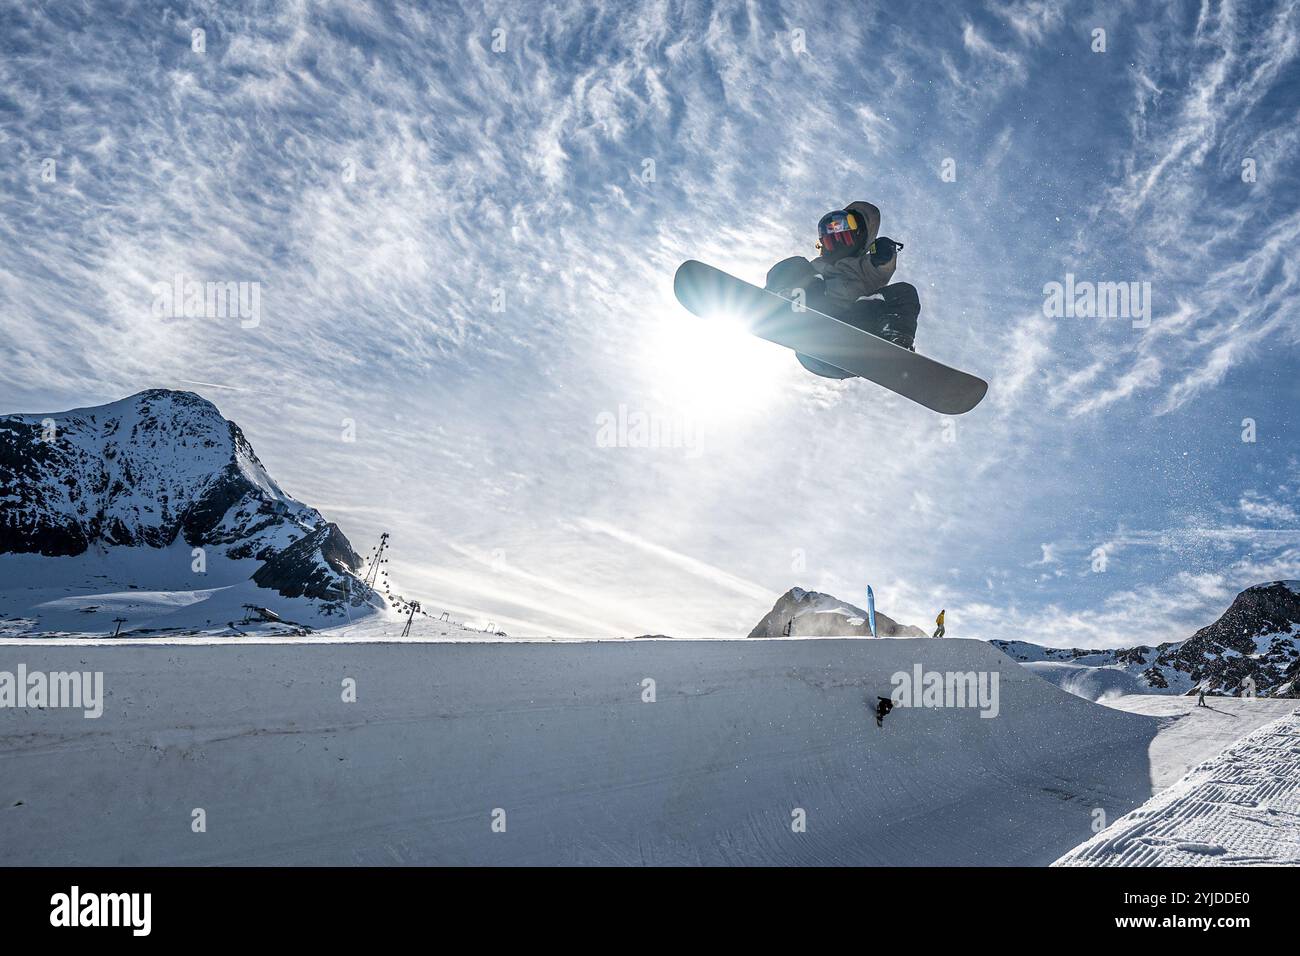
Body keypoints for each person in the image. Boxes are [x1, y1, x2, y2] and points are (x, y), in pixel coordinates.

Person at [765, 200, 921, 374]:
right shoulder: (816, 267)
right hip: (811, 328)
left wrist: (884, 254)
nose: (837, 241)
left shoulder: (865, 266)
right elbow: (790, 273)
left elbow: (882, 269)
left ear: (860, 236)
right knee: (796, 265)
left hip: (851, 339)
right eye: (830, 239)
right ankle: (779, 305)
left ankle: (894, 343)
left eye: (844, 235)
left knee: (904, 292)